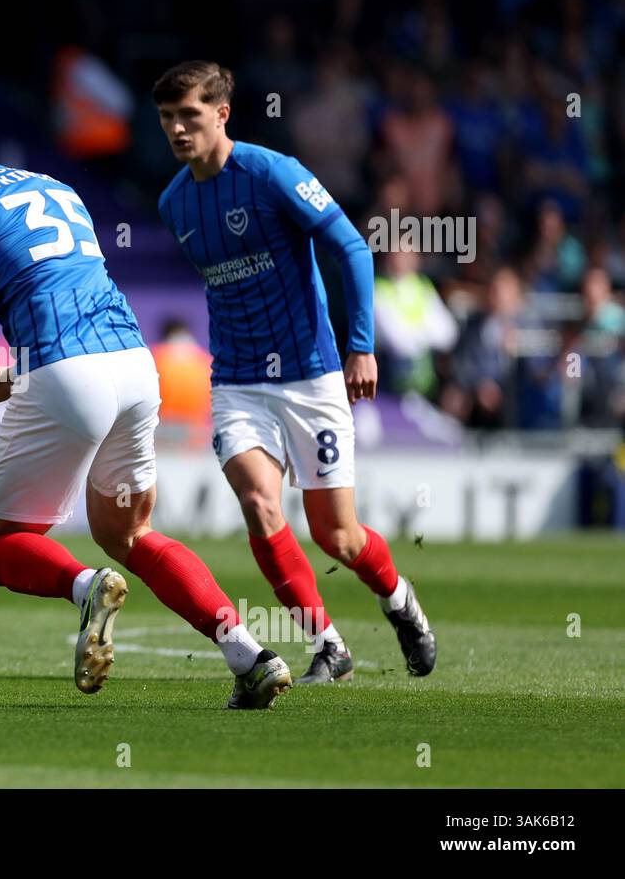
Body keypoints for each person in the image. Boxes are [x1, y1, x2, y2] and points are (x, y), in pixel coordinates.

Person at [0, 86, 292, 709]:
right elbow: (63, 300)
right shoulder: (57, 188)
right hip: (136, 368)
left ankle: (86, 587)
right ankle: (249, 654)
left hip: (68, 375)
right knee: (131, 532)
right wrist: (1, 391)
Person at [151, 60, 436, 682]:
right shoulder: (175, 202)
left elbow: (351, 247)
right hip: (235, 381)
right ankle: (329, 645)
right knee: (259, 503)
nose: (177, 128)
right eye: (168, 117)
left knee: (338, 538)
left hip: (311, 374)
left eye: (189, 115)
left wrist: (361, 346)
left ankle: (398, 600)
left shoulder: (272, 173)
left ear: (221, 113)